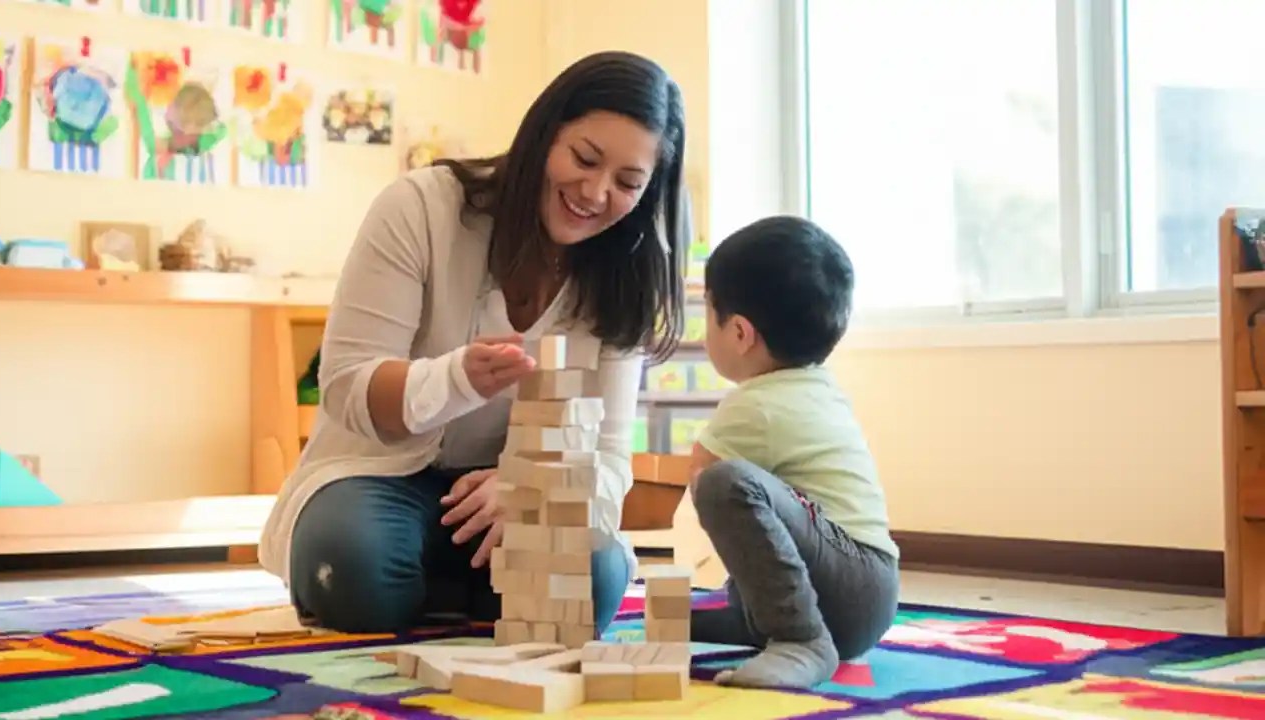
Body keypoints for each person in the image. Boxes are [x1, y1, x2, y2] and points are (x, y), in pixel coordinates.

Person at [256, 50, 688, 636]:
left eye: (628, 183)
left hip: (515, 499)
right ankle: (456, 588)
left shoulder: (626, 275)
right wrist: (454, 379)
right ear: (544, 134)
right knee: (353, 565)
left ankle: (449, 587)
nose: (594, 191)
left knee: (594, 580)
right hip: (380, 477)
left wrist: (533, 487)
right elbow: (347, 384)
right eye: (584, 159)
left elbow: (609, 457)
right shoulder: (423, 208)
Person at [687, 216, 900, 688]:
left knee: (723, 484)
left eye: (707, 315)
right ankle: (762, 621)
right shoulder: (817, 387)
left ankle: (801, 639)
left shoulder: (754, 405)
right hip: (871, 589)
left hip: (848, 590)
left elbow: (701, 478)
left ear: (739, 333)